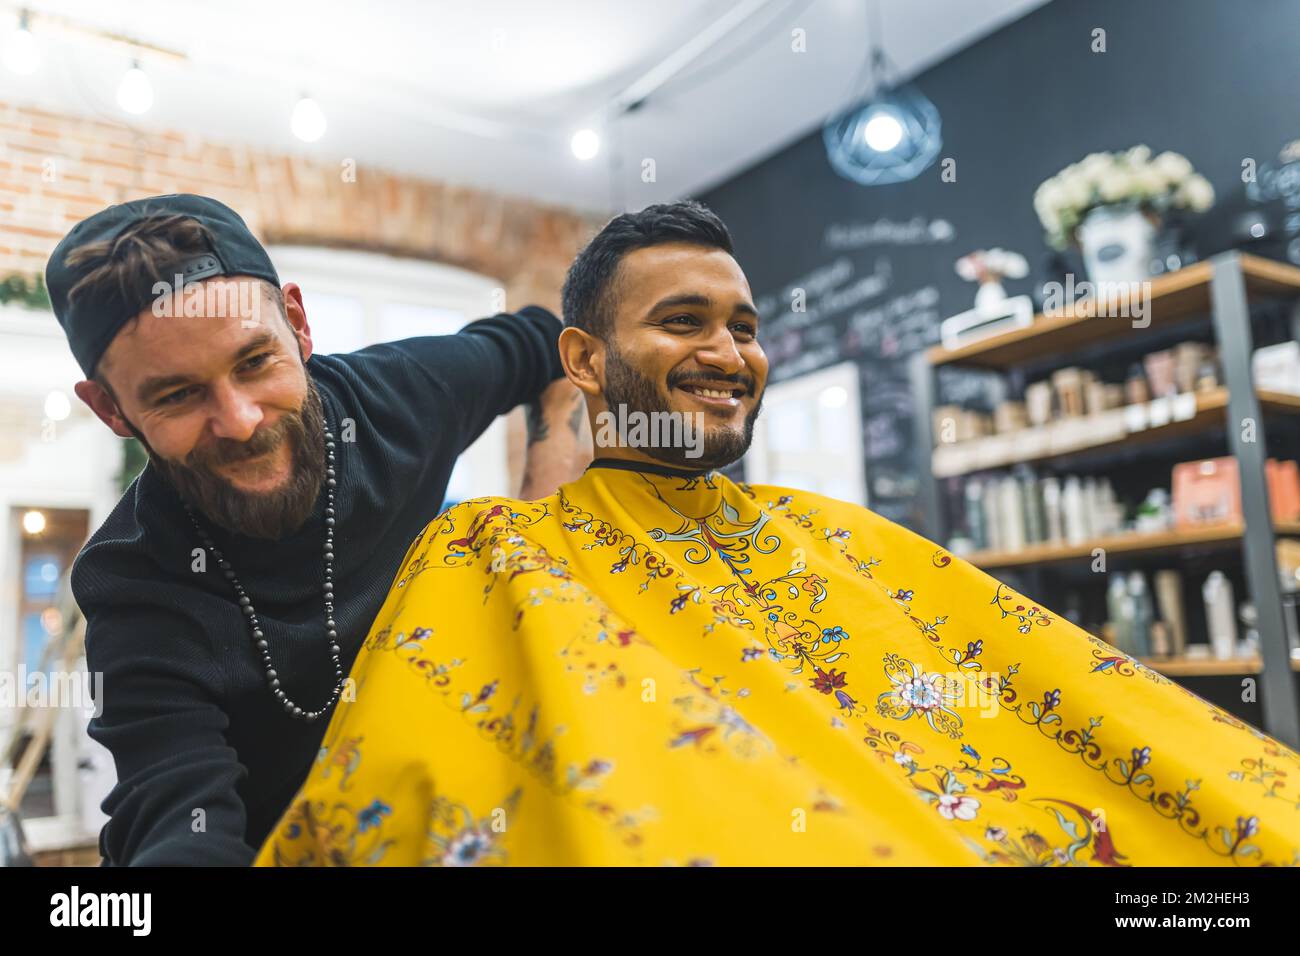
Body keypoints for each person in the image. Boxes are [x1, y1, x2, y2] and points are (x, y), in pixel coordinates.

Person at [256, 200, 1300, 866]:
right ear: (581, 357)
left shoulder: (835, 535)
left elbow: (1076, 702)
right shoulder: (493, 549)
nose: (729, 351)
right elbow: (395, 799)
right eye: (682, 321)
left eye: (744, 327)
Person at [45, 194, 587, 865]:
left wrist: (539, 518)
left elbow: (557, 345)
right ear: (111, 409)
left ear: (298, 324)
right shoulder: (135, 584)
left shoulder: (400, 400)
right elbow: (181, 821)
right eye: (177, 394)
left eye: (254, 362)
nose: (241, 420)